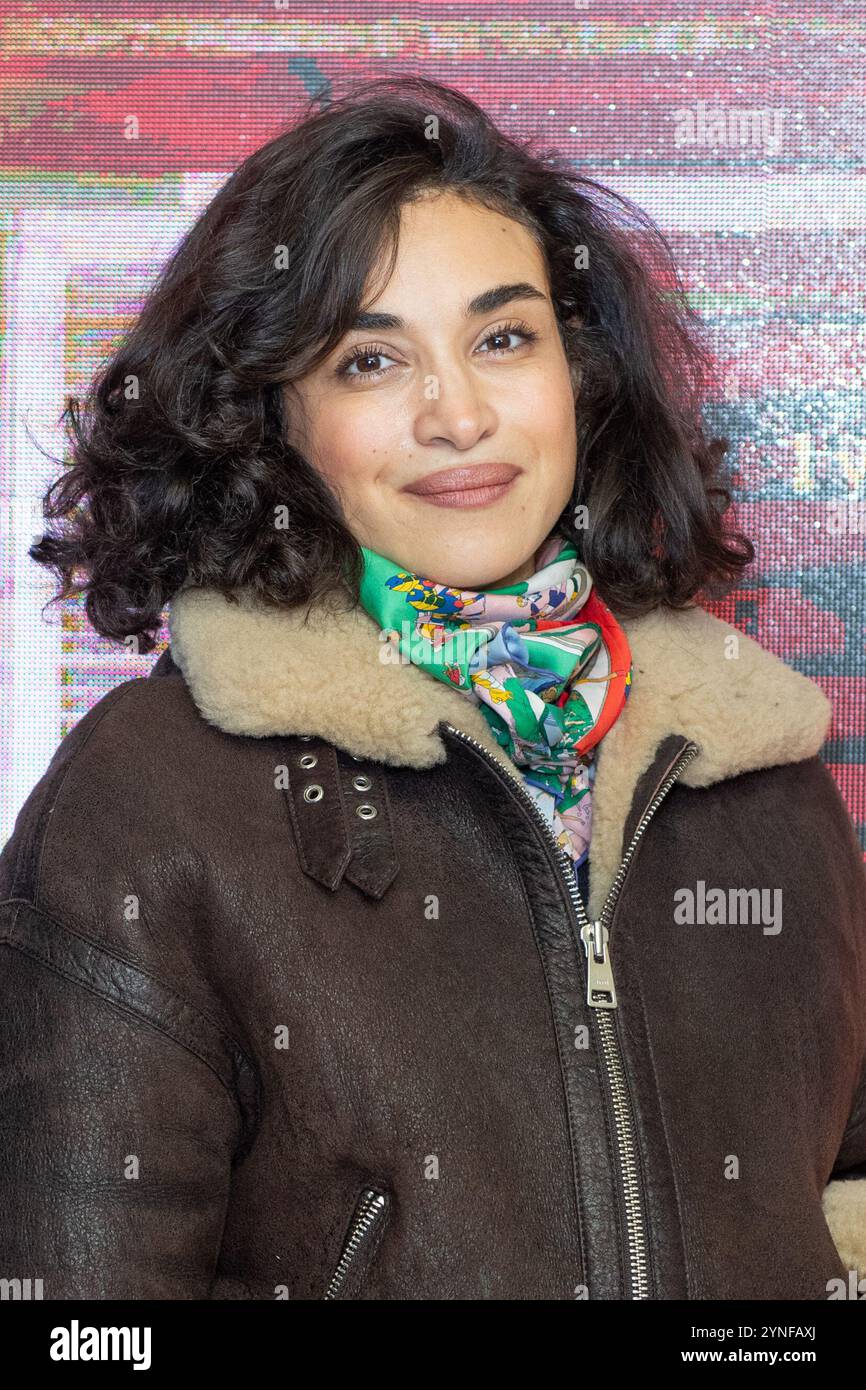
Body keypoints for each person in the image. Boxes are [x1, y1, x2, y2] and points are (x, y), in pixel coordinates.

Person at [2, 74, 865, 1301]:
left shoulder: (758, 769)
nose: (456, 412)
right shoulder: (151, 796)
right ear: (272, 419)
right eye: (367, 360)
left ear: (583, 376)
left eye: (503, 338)